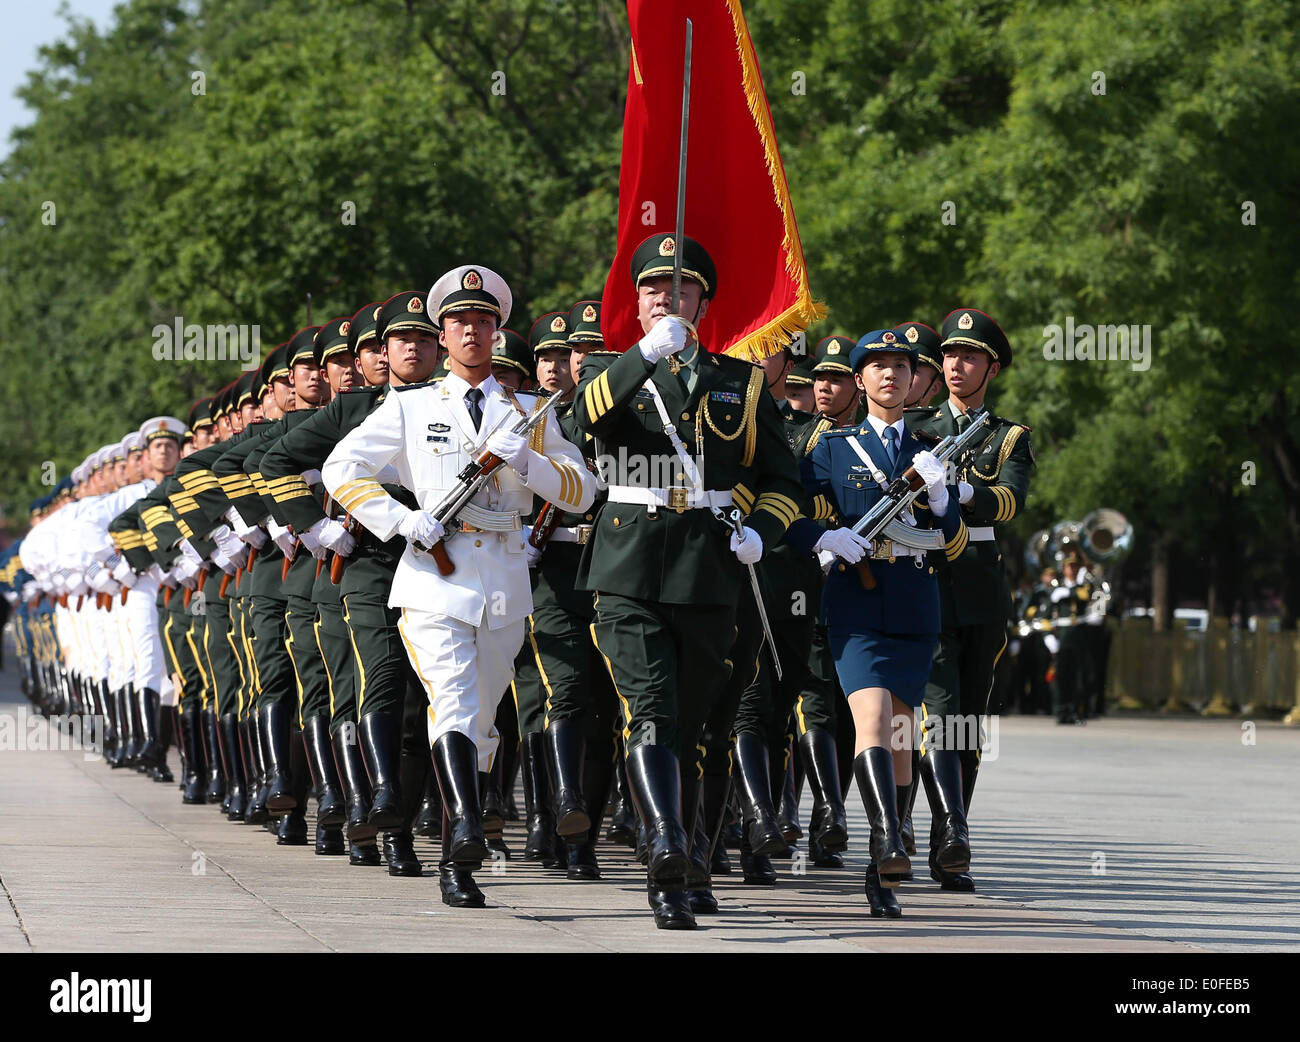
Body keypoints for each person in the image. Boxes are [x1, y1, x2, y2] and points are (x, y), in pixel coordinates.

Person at [323, 265, 596, 907]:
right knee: (450, 701)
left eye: (482, 321)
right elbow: (342, 467)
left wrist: (527, 459)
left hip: (503, 571)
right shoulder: (412, 405)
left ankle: (457, 853)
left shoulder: (530, 412)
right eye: (458, 322)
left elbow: (583, 492)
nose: (470, 331)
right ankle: (466, 832)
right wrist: (399, 520)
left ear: (497, 331)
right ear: (443, 335)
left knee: (482, 719)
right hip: (433, 576)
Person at [572, 231, 804, 929]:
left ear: (703, 301)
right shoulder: (611, 372)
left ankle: (694, 861)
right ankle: (664, 847)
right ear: (636, 302)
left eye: (683, 288)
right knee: (653, 713)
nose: (667, 297)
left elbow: (780, 478)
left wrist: (763, 529)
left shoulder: (743, 382)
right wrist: (646, 356)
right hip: (629, 569)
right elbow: (586, 420)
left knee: (704, 727)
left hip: (711, 571)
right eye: (654, 288)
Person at [787, 330, 968, 917]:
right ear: (859, 380)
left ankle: (881, 869)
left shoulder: (934, 448)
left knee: (899, 731)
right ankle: (887, 838)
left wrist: (942, 499)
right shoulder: (832, 448)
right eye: (877, 367)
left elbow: (950, 541)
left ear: (916, 381)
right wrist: (824, 538)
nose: (890, 375)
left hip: (915, 603)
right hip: (857, 604)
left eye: (901, 366)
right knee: (869, 715)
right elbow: (791, 511)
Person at [905, 308, 1034, 893]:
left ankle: (945, 836)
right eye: (951, 356)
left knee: (970, 725)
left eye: (972, 357)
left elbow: (1010, 502)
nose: (957, 366)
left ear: (993, 368)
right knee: (938, 712)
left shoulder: (1009, 437)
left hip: (980, 585)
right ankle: (954, 830)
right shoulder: (916, 427)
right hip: (928, 574)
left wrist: (958, 489)